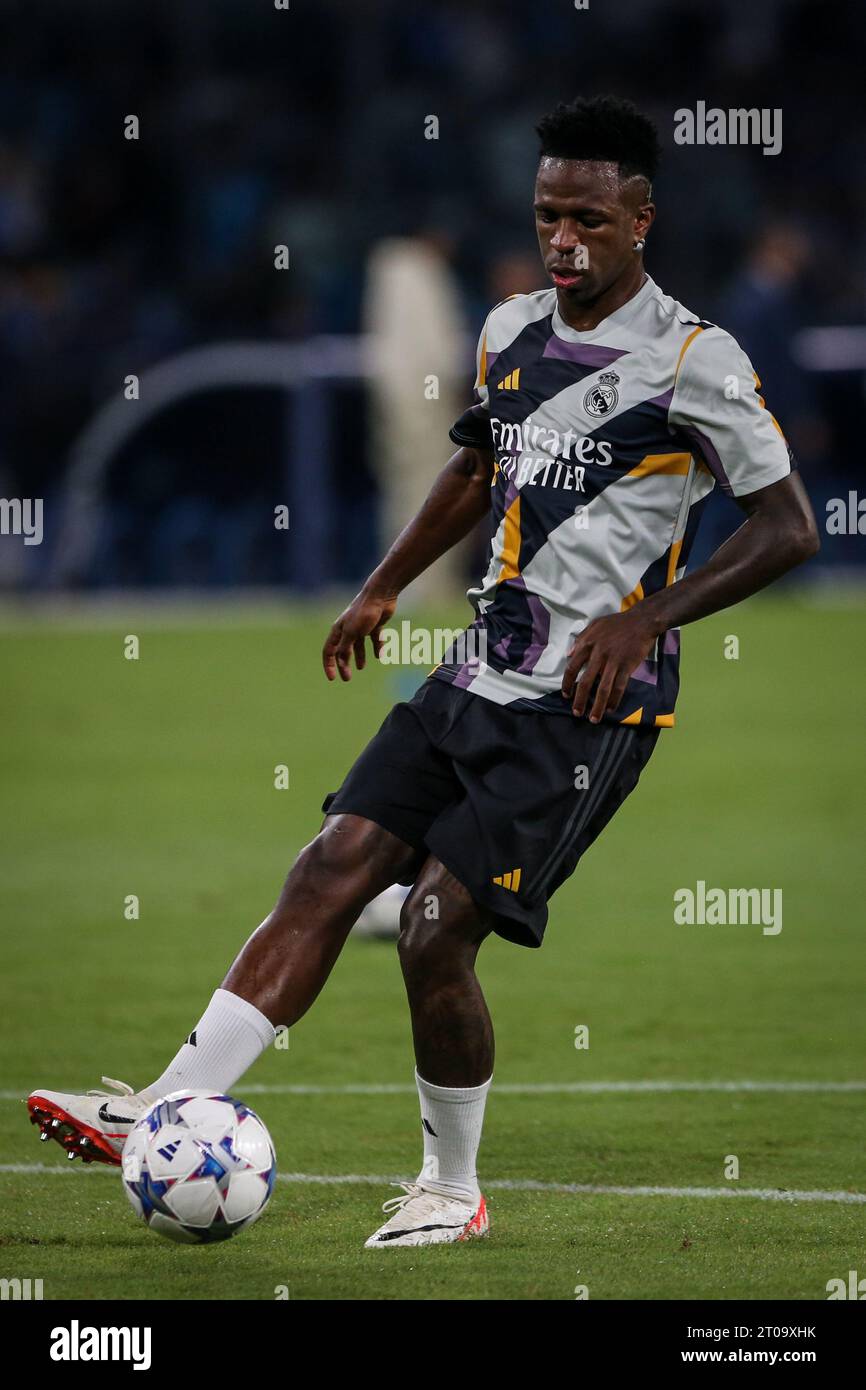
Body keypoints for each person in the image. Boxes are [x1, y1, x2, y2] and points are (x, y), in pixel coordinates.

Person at [28, 96, 819, 1249]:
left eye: (589, 219)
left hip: (582, 709)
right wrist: (383, 582)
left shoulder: (697, 360)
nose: (562, 239)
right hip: (474, 667)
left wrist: (648, 617)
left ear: (640, 220)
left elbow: (787, 525)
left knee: (434, 930)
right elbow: (473, 470)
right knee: (330, 864)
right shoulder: (507, 331)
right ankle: (164, 1102)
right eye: (548, 215)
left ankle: (453, 1187)